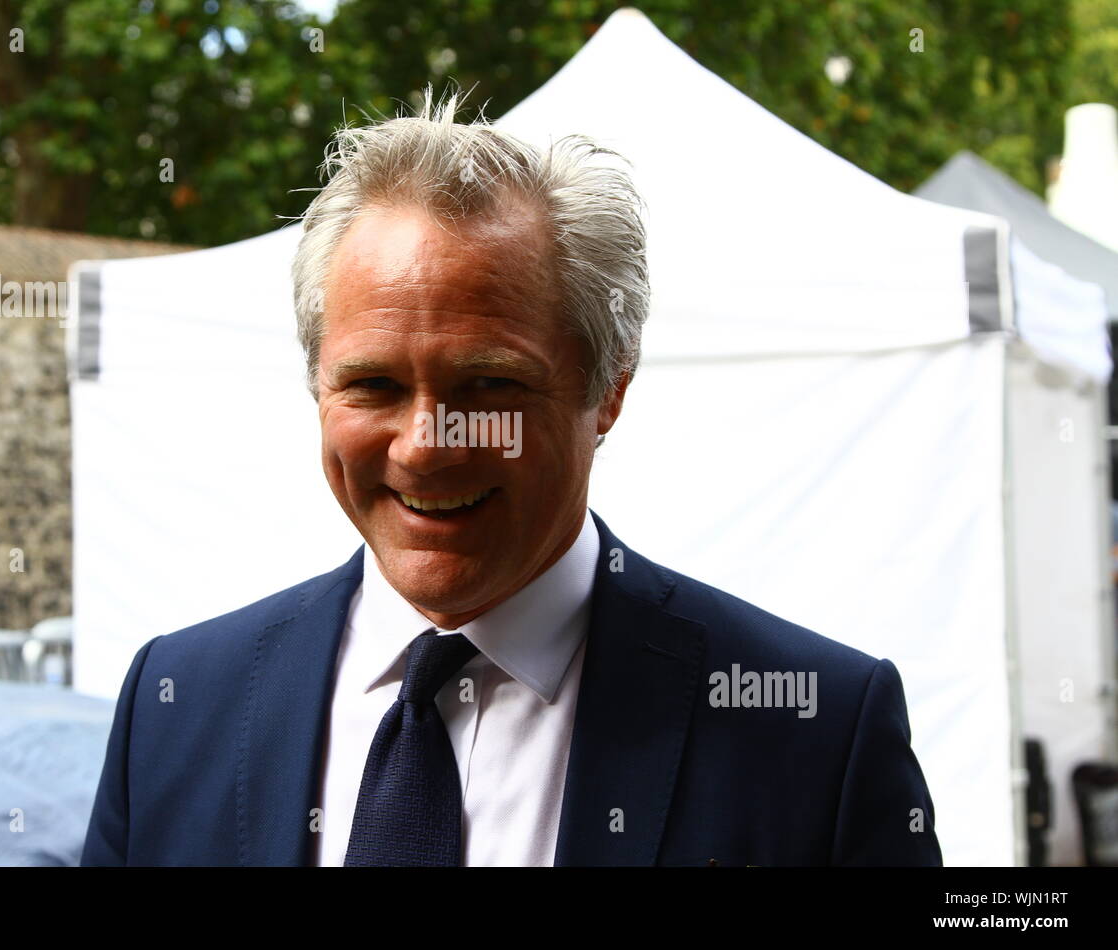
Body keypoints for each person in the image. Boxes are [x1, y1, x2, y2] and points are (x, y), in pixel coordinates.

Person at [81, 92, 941, 867]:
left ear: (608, 390)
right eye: (374, 384)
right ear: (317, 386)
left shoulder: (815, 736)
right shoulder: (176, 707)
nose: (425, 445)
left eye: (489, 384)